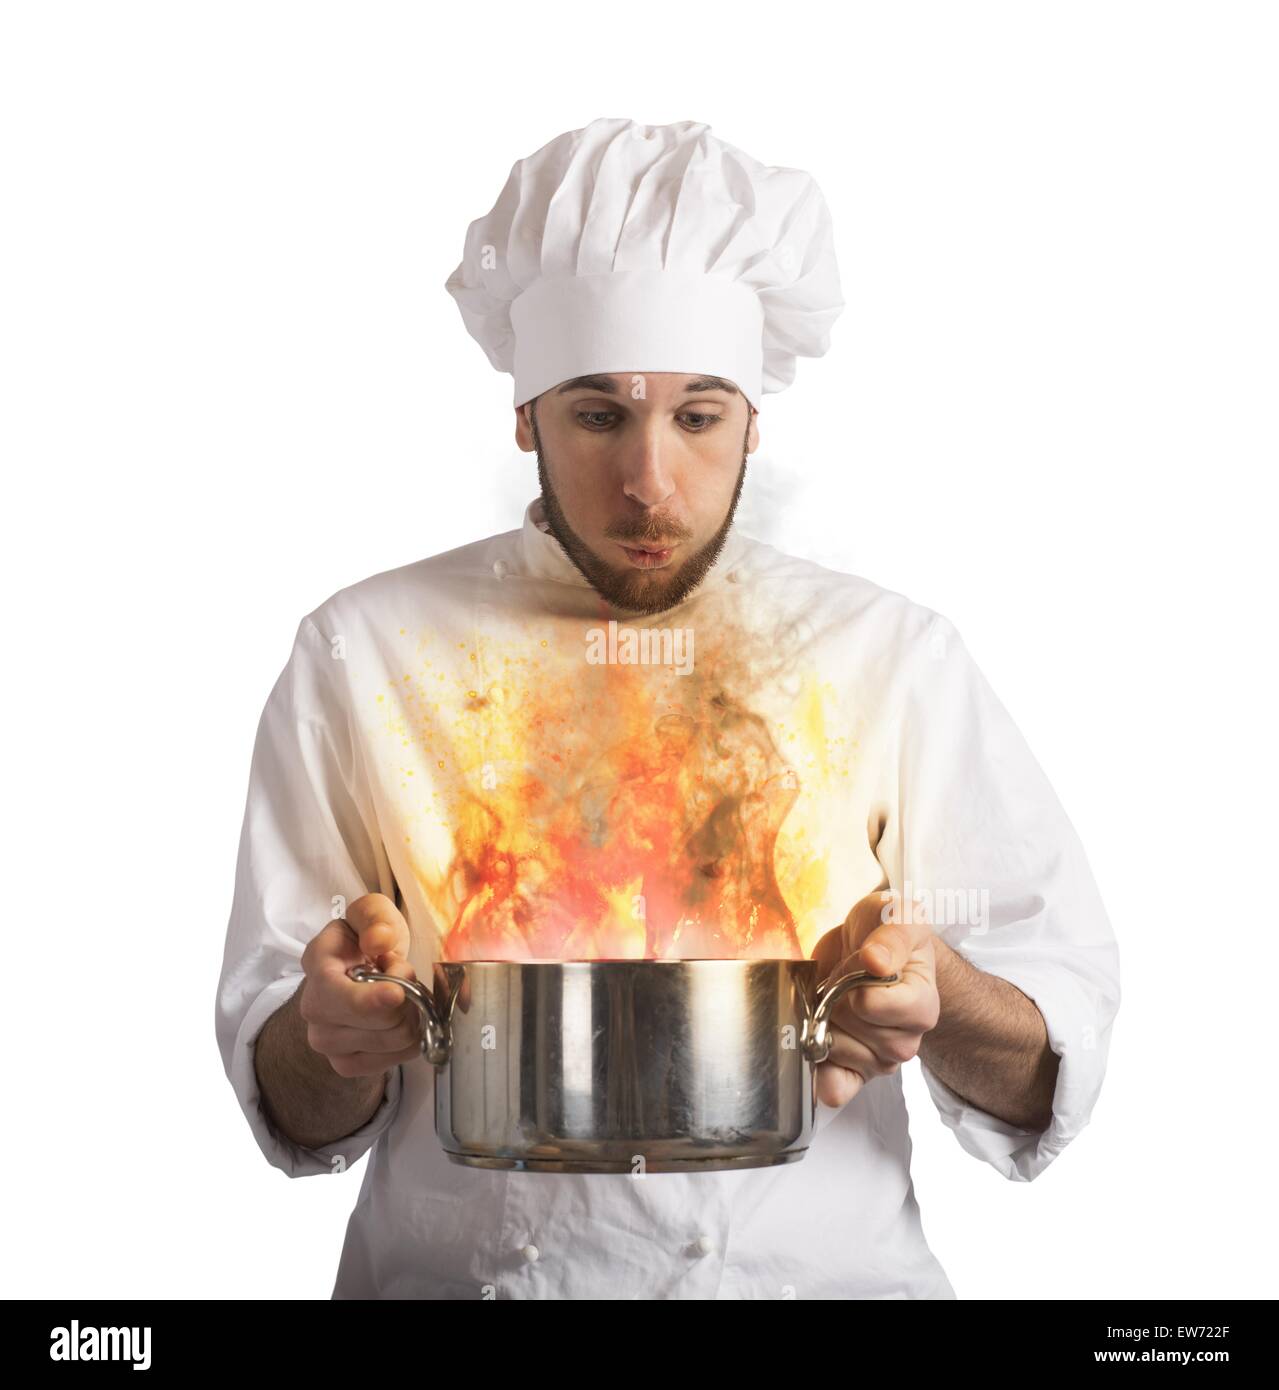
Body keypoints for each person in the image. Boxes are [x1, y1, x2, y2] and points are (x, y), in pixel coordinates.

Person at [214, 116, 1121, 1299]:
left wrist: (938, 996)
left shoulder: (885, 654)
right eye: (597, 415)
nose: (650, 481)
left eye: (698, 417)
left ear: (754, 422)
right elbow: (292, 1095)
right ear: (526, 419)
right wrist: (330, 1030)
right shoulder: (364, 650)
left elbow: (1049, 1065)